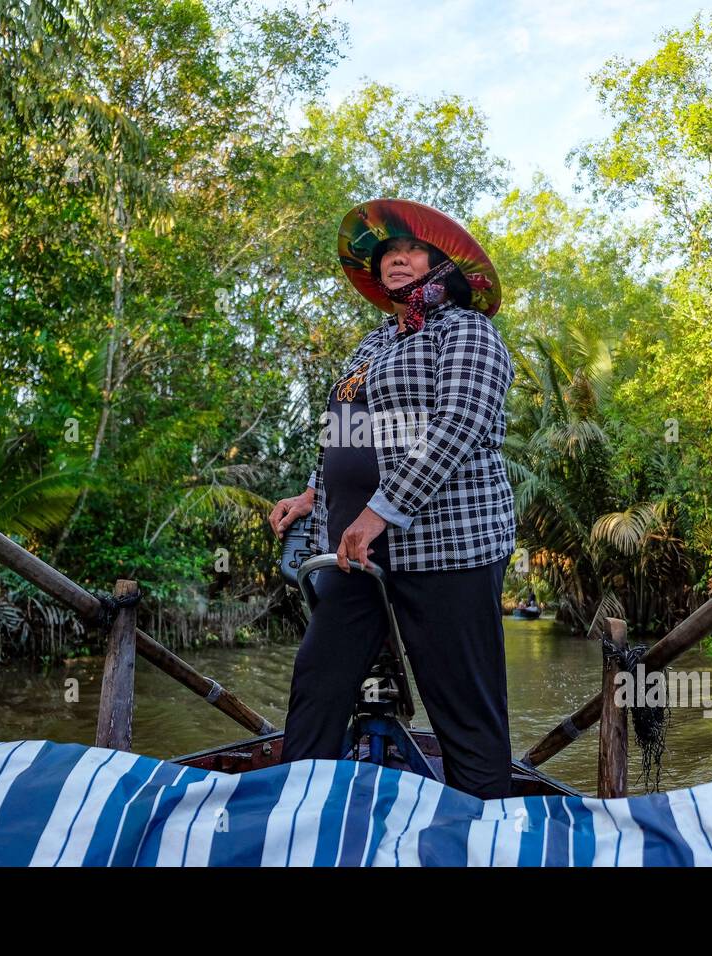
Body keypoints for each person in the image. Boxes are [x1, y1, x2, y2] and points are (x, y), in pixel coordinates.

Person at [268, 198, 516, 799]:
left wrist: (380, 511)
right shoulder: (371, 345)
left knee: (462, 703)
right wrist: (311, 492)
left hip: (446, 545)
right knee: (318, 682)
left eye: (410, 251)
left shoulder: (467, 330)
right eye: (386, 256)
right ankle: (296, 816)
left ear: (440, 263)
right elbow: (348, 429)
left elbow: (458, 422)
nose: (396, 261)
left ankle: (485, 832)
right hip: (355, 550)